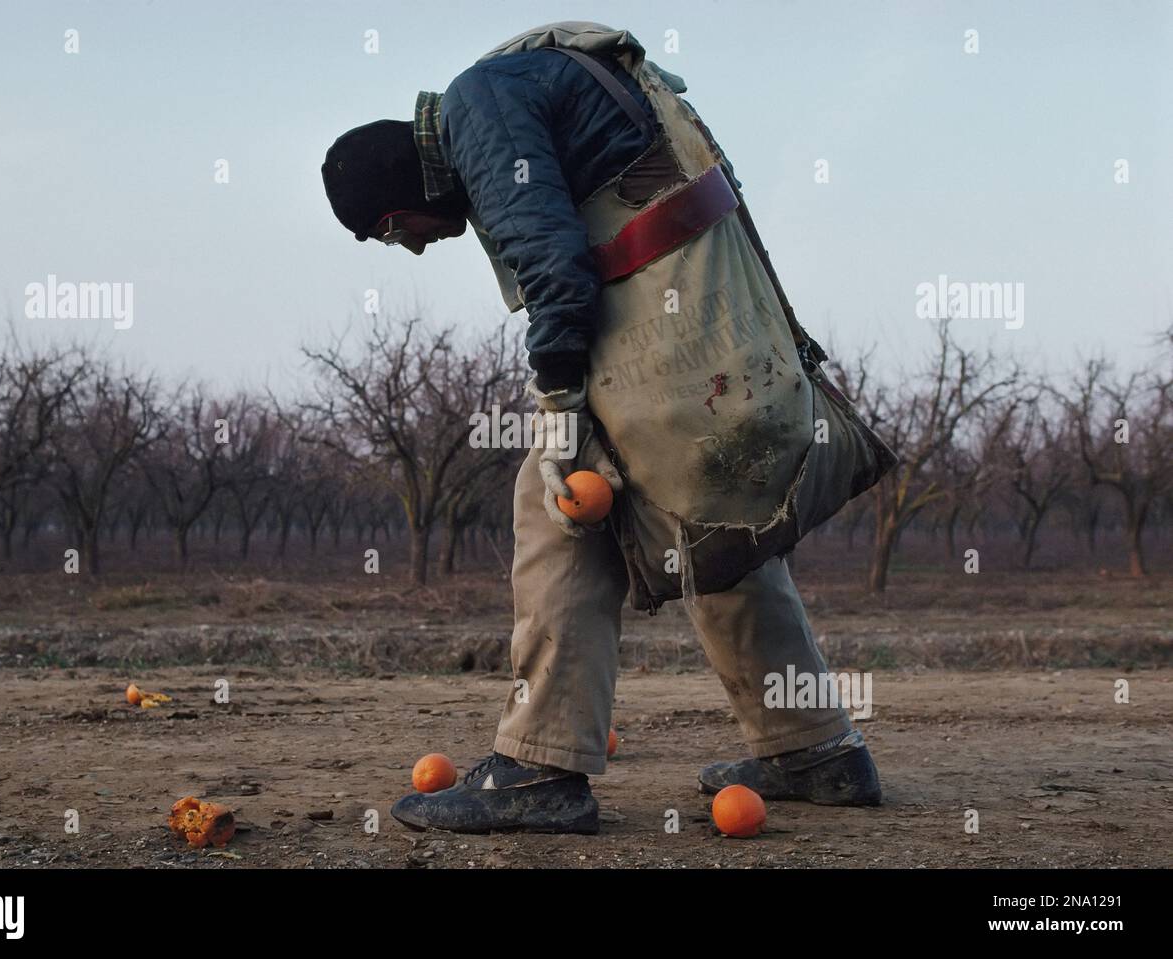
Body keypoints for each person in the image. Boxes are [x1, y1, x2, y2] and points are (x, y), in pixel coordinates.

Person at [322, 22, 883, 835]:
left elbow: (554, 264)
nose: (406, 248)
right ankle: (816, 748)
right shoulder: (526, 82)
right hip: (722, 326)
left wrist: (559, 410)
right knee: (716, 526)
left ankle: (541, 765)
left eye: (386, 232)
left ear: (399, 203)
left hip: (673, 334)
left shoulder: (478, 110)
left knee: (554, 507)